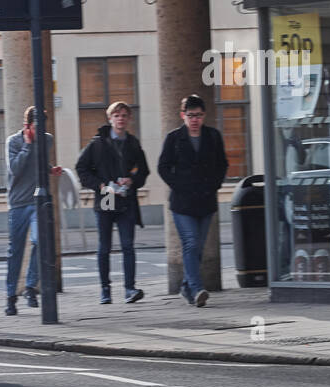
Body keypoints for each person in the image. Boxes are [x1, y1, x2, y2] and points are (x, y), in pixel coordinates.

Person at [157, 94, 229, 307]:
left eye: (198, 115)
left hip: (206, 200)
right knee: (191, 242)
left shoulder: (213, 136)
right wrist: (179, 185)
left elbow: (222, 164)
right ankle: (197, 289)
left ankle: (187, 287)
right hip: (182, 202)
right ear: (183, 116)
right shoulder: (174, 138)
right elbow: (163, 167)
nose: (195, 119)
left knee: (198, 247)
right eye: (190, 115)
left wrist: (214, 185)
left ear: (204, 115)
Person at [76, 101, 149, 305]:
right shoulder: (98, 143)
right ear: (110, 118)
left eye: (124, 115)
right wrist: (100, 186)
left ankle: (129, 288)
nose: (121, 119)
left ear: (129, 119)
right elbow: (81, 169)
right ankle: (105, 290)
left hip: (126, 198)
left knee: (128, 245)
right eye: (117, 115)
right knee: (105, 246)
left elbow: (144, 170)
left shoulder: (133, 143)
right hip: (107, 196)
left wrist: (132, 180)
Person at [4, 106, 63, 315]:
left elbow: (39, 163)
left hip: (37, 203)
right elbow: (16, 169)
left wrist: (50, 168)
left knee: (40, 241)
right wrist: (27, 146)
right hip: (18, 204)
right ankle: (10, 296)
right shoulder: (13, 142)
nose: (40, 132)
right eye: (36, 127)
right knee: (15, 251)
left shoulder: (46, 140)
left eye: (43, 127)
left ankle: (30, 287)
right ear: (27, 126)